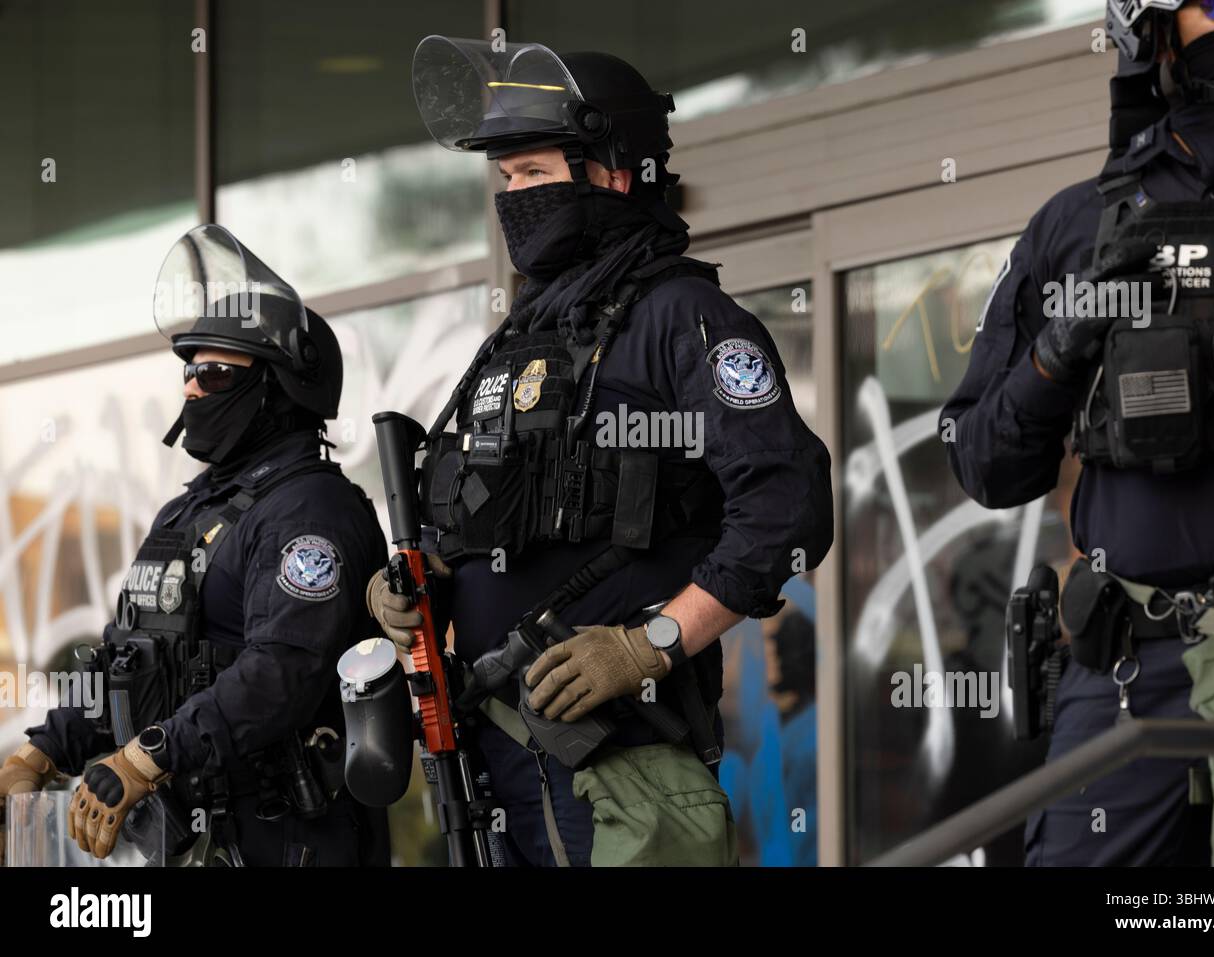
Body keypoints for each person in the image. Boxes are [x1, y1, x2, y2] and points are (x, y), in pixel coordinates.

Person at [367, 36, 834, 866]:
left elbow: (787, 511)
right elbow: (472, 521)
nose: (514, 199)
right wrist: (415, 583)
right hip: (491, 763)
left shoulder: (683, 318)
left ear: (614, 173)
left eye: (535, 176)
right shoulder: (518, 344)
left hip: (624, 764)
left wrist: (646, 644)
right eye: (505, 180)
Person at [942, 0, 1214, 865]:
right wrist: (1057, 355)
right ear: (1150, 28)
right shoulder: (1077, 223)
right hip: (1128, 666)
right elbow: (982, 461)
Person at [0, 225, 390, 866]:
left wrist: (144, 756)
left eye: (212, 373)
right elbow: (127, 658)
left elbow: (280, 673)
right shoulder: (188, 510)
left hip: (287, 837)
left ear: (278, 384)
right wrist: (41, 750)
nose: (189, 389)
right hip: (187, 836)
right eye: (188, 369)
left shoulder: (309, 509)